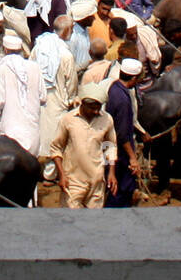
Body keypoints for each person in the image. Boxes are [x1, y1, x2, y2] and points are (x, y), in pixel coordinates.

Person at [50, 84, 118, 209]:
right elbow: (56, 148)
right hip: (73, 182)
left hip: (97, 181)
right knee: (71, 221)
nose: (96, 112)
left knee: (94, 222)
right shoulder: (68, 119)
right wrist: (61, 175)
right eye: (92, 108)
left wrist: (112, 173)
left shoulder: (107, 119)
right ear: (83, 104)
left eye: (98, 108)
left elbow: (110, 147)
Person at [0, 33, 46, 155]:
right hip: (32, 133)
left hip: (10, 134)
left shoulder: (3, 67)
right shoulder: (35, 67)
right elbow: (43, 98)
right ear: (21, 50)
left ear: (5, 50)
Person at [31, 15, 79, 172]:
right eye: (71, 29)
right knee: (54, 136)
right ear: (65, 31)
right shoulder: (66, 55)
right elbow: (71, 82)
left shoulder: (39, 48)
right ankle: (50, 173)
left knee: (42, 132)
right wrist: (71, 99)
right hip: (57, 100)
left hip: (39, 98)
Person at [104, 59, 143, 208]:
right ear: (133, 78)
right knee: (121, 190)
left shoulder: (114, 88)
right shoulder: (123, 100)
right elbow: (122, 135)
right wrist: (133, 158)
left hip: (111, 148)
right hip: (120, 154)